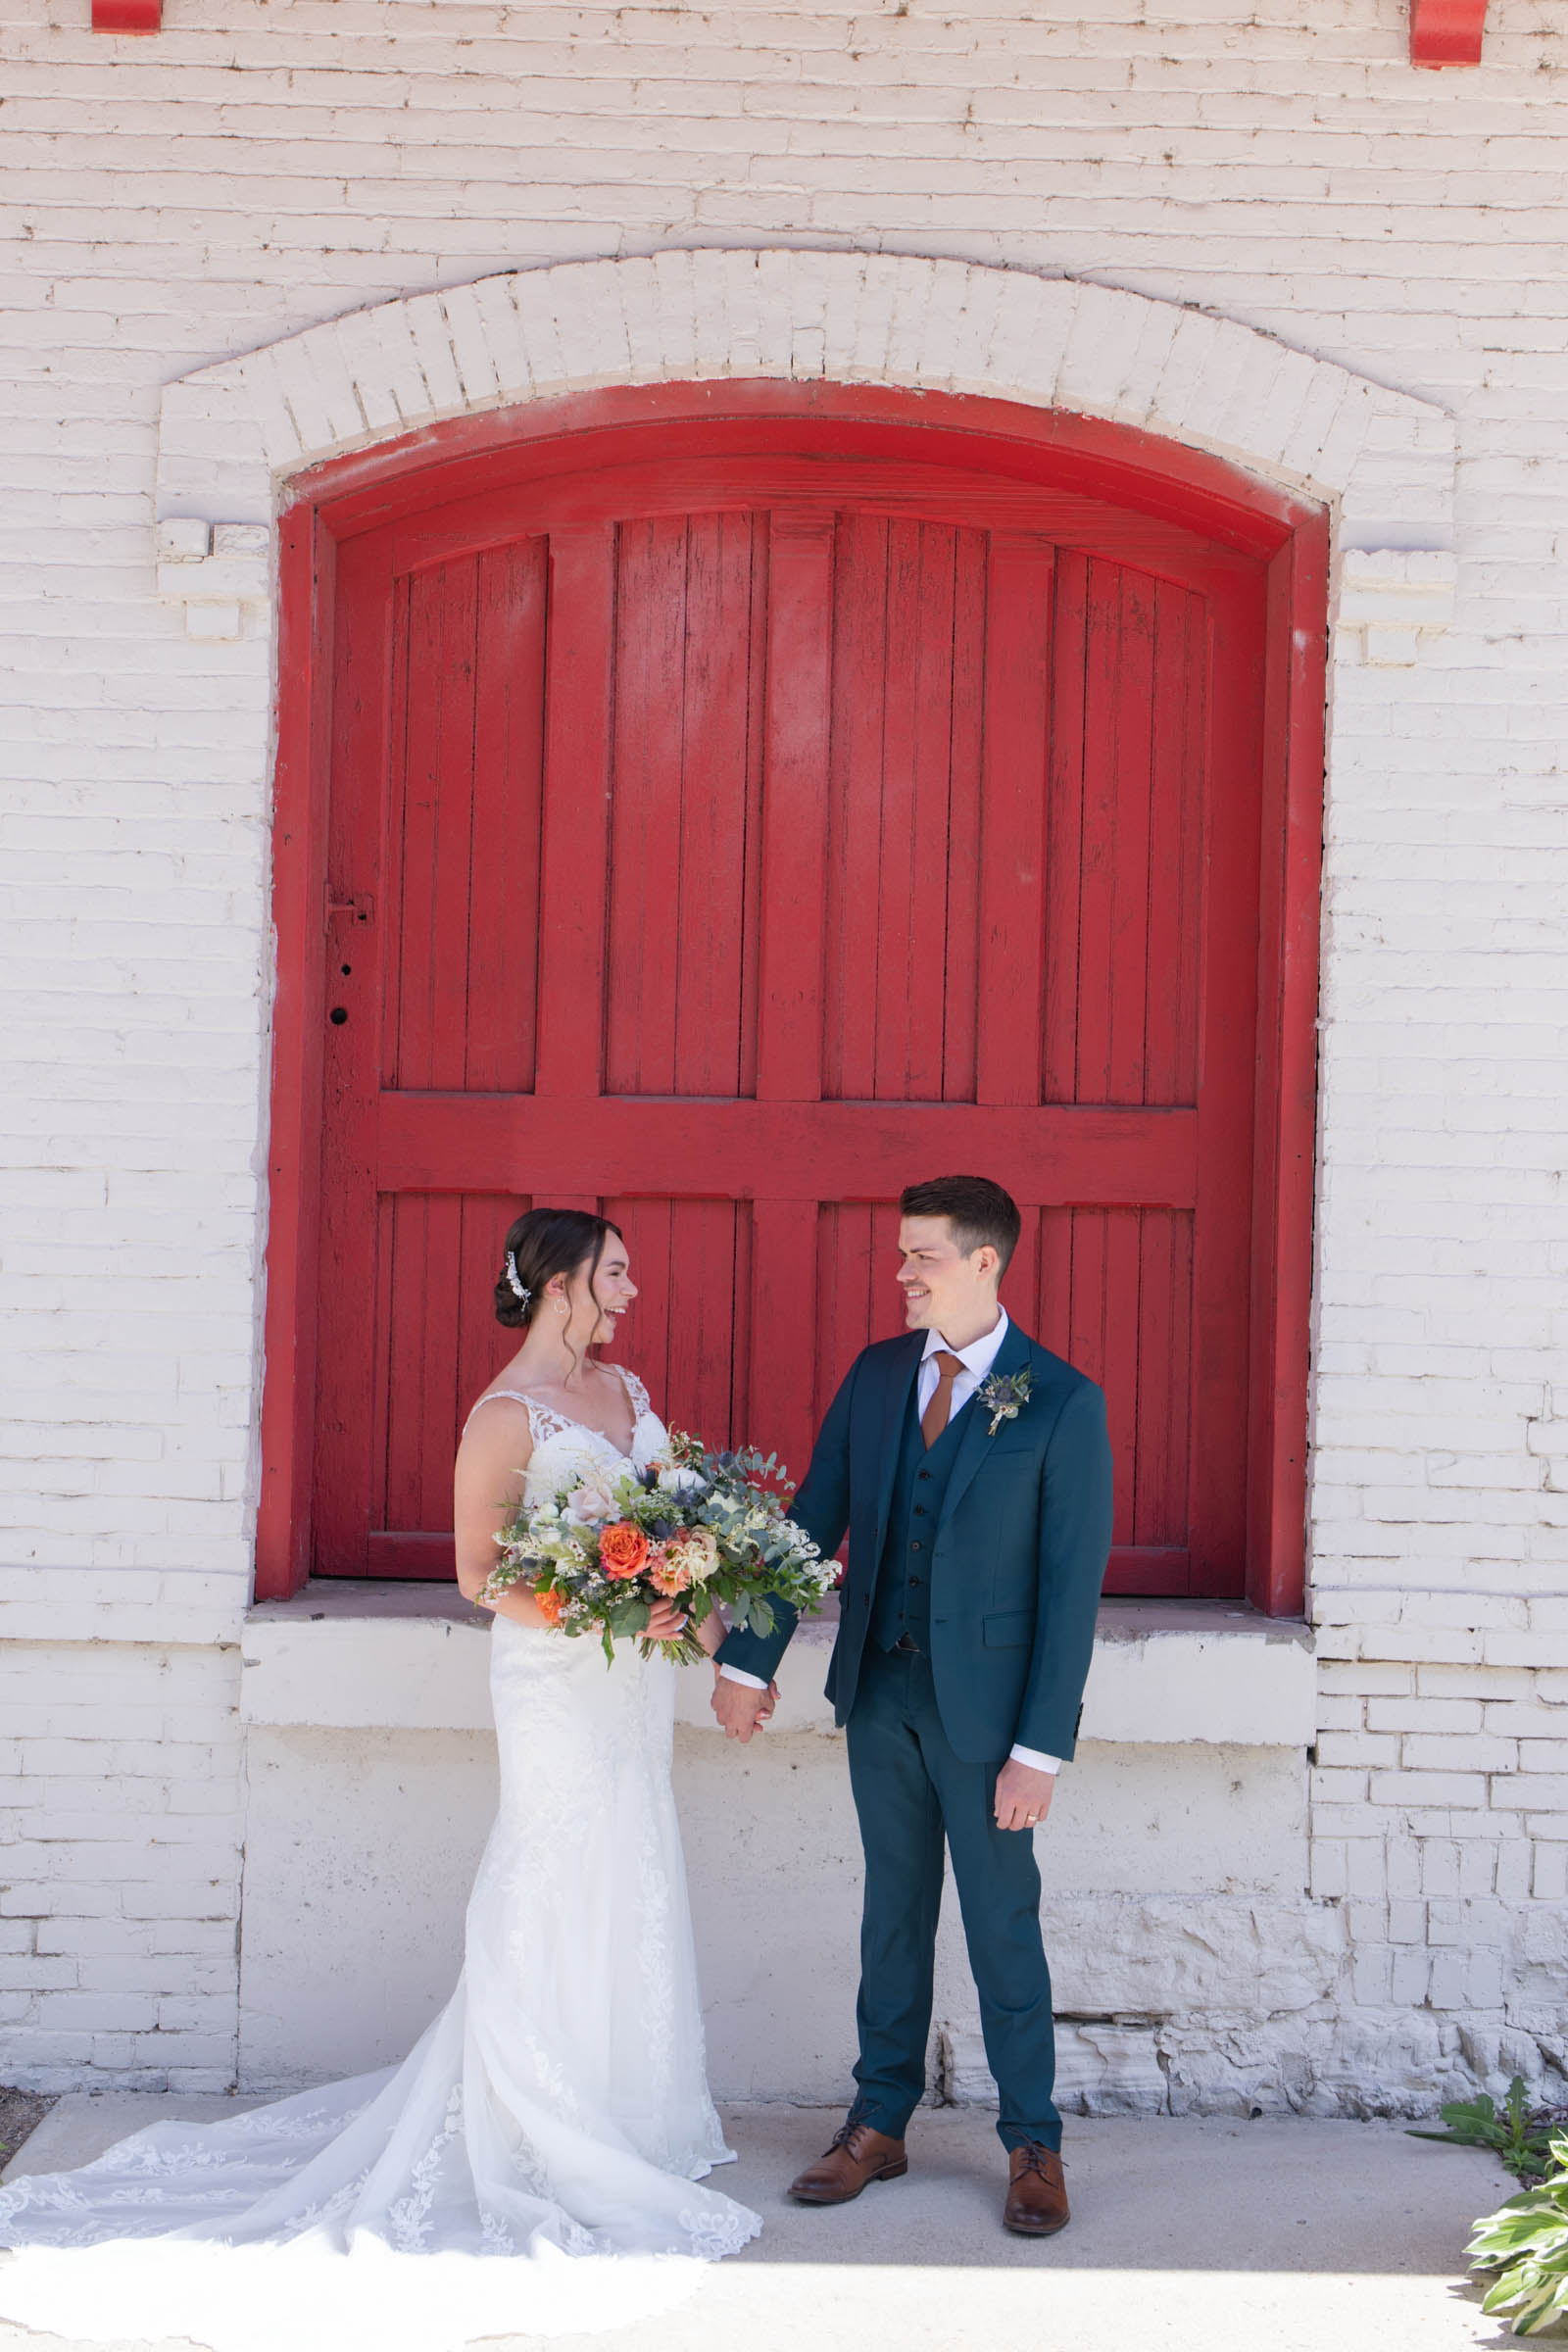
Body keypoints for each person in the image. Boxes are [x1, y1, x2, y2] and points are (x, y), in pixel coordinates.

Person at [0, 1209, 760, 2352]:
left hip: (628, 1688)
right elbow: (476, 1574)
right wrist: (602, 1602)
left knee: (631, 1860)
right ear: (560, 1282)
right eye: (615, 1270)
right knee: (550, 1862)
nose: (633, 1287)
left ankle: (623, 2108)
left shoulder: (631, 1392)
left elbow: (675, 1528)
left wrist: (689, 1615)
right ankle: (528, 2118)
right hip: (555, 1682)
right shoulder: (505, 1417)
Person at [713, 1173, 1113, 2238]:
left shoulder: (1063, 1400)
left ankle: (1033, 2139)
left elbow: (1070, 1594)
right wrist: (747, 1664)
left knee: (1001, 1929)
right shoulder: (880, 1373)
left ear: (985, 1263)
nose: (901, 1273)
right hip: (880, 1694)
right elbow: (812, 1520)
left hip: (989, 1725)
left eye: (921, 1255)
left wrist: (1041, 1748)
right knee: (892, 1919)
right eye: (900, 1254)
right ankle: (878, 2120)